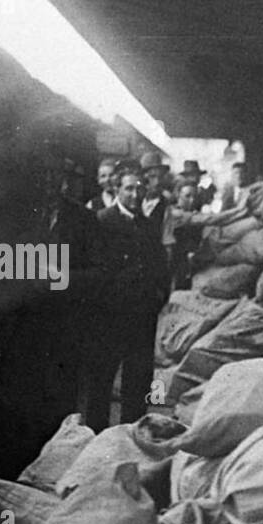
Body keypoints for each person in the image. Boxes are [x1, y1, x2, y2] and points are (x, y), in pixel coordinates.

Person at [88, 168, 169, 425]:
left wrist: (158, 298)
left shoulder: (148, 225)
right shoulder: (101, 221)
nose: (135, 194)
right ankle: (96, 436)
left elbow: (160, 268)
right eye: (129, 189)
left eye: (139, 189)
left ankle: (132, 432)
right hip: (109, 315)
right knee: (102, 378)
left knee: (139, 380)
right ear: (116, 190)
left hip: (142, 316)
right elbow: (94, 269)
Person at [161, 178, 253, 290]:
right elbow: (210, 219)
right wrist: (239, 210)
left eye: (194, 196)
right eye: (187, 196)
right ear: (178, 195)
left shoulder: (189, 212)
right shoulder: (175, 213)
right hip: (171, 261)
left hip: (185, 259)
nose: (192, 200)